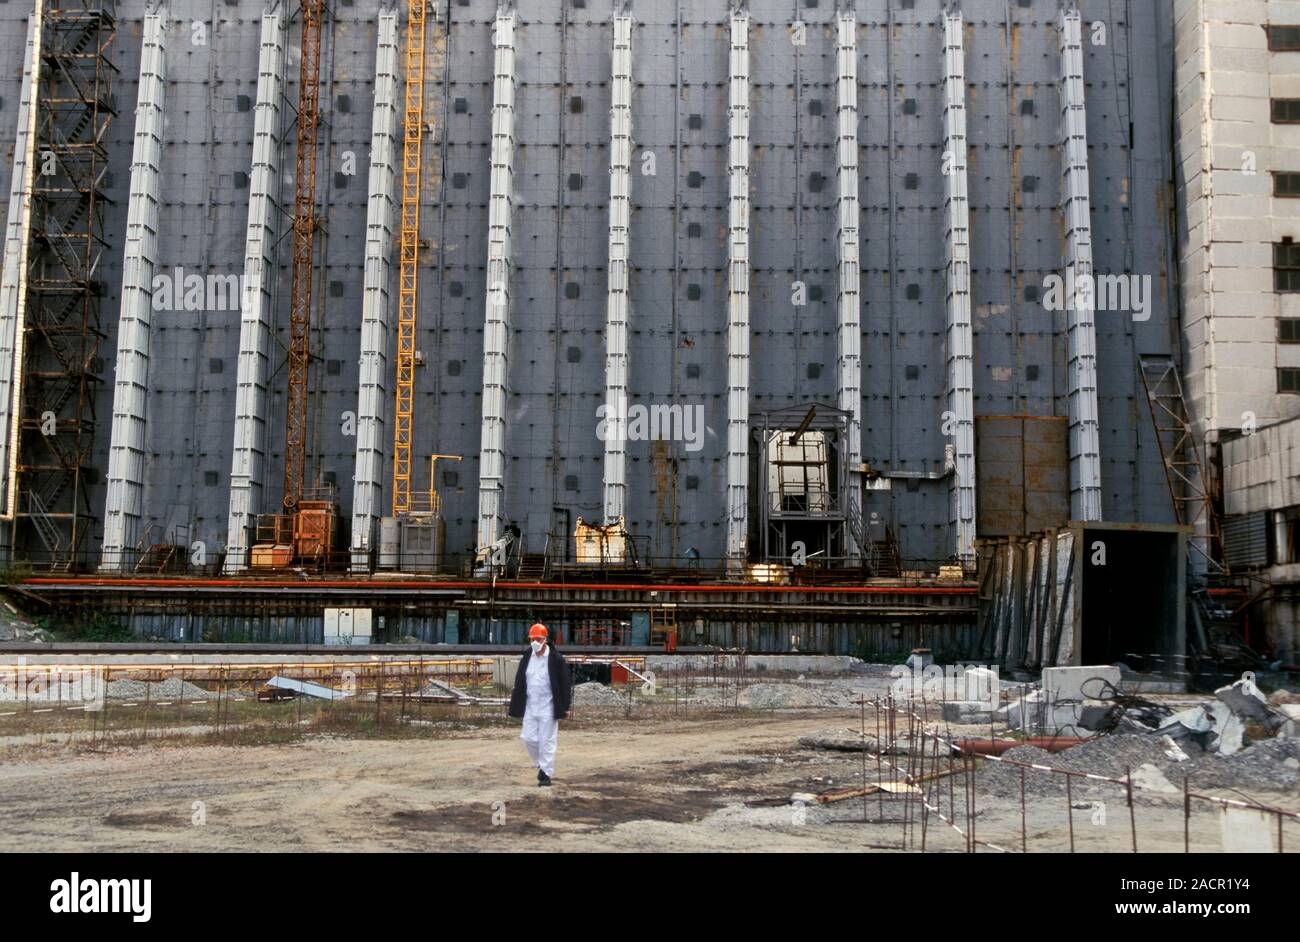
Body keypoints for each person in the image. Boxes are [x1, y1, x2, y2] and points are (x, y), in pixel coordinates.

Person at [508, 622, 572, 786]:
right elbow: (520, 680)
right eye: (532, 639)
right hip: (531, 704)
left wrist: (565, 706)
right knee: (528, 738)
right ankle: (541, 765)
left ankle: (546, 773)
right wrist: (516, 702)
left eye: (538, 639)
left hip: (548, 706)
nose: (535, 642)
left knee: (547, 740)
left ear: (545, 639)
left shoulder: (556, 659)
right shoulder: (527, 656)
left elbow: (565, 683)